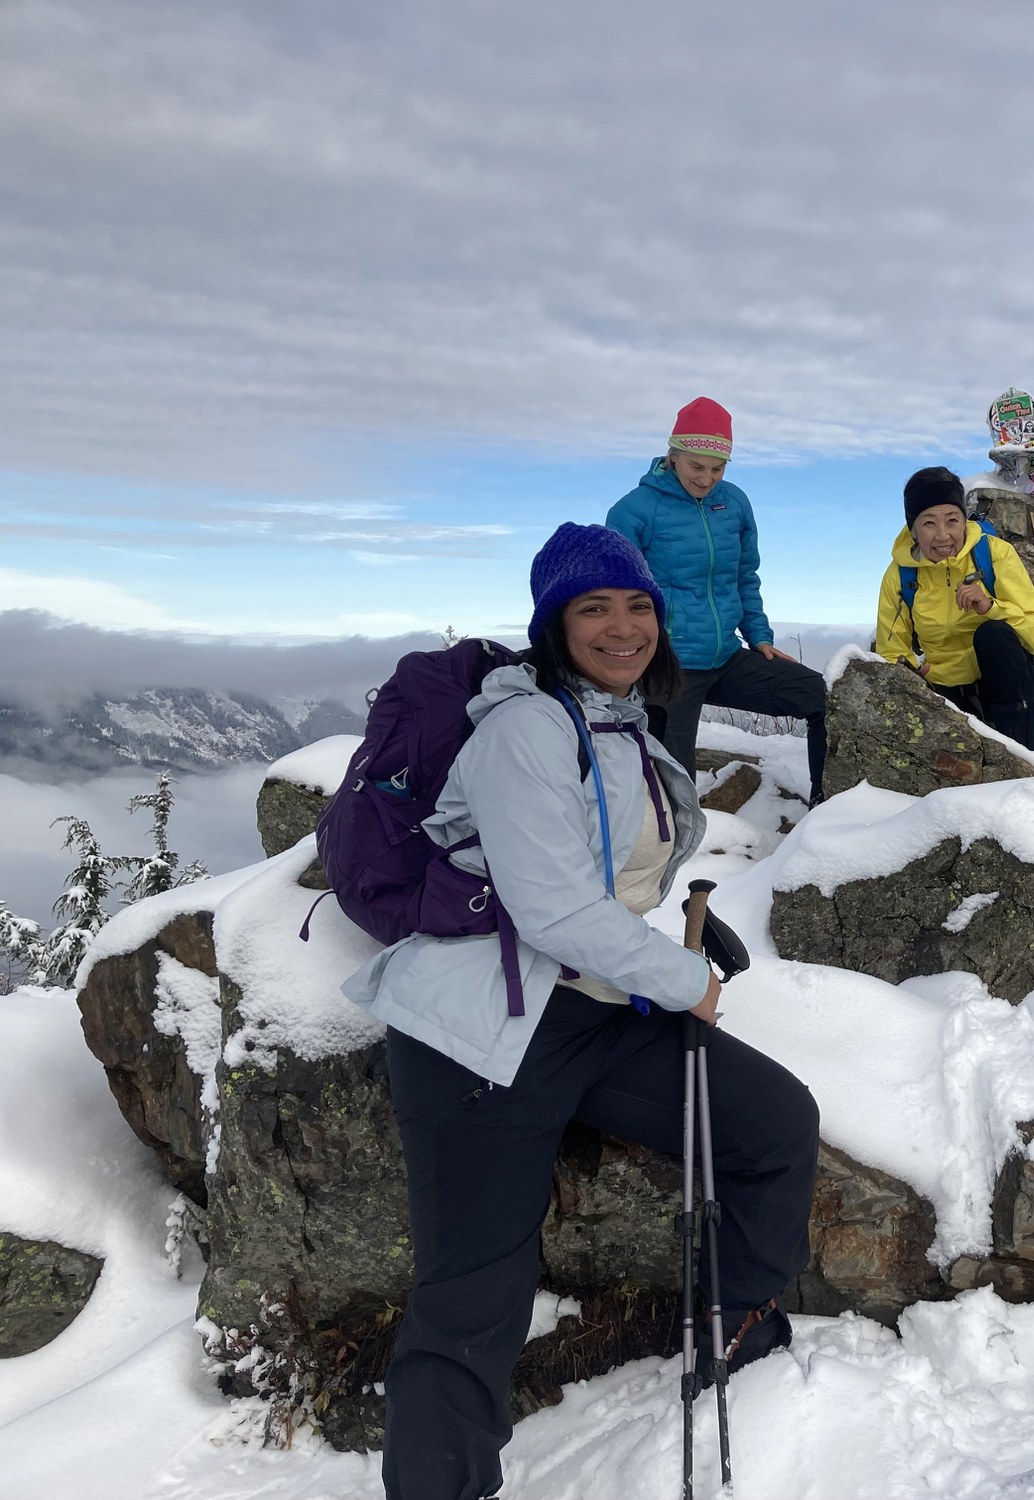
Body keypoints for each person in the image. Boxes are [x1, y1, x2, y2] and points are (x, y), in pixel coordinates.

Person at [343, 523, 820, 1500]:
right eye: (593, 608)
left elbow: (600, 887)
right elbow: (552, 909)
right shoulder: (526, 729)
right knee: (472, 1302)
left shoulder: (619, 721)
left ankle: (732, 1322)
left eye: (638, 605)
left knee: (774, 1122)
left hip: (591, 1010)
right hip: (483, 1031)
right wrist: (682, 980)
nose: (622, 626)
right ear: (554, 625)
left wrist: (664, 956)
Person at [607, 397, 828, 803]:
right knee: (675, 787)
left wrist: (759, 637)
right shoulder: (633, 510)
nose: (707, 478)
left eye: (717, 468)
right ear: (674, 455)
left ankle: (827, 806)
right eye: (696, 466)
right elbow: (617, 594)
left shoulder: (735, 502)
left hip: (727, 657)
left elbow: (744, 576)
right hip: (667, 665)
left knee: (821, 697)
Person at [874, 466, 1034, 750]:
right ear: (913, 530)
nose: (943, 535)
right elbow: (891, 651)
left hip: (1006, 685)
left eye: (952, 520)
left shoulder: (993, 553)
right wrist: (913, 675)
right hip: (944, 689)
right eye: (929, 523)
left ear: (963, 521)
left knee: (993, 634)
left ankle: (1019, 755)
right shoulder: (901, 575)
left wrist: (990, 607)